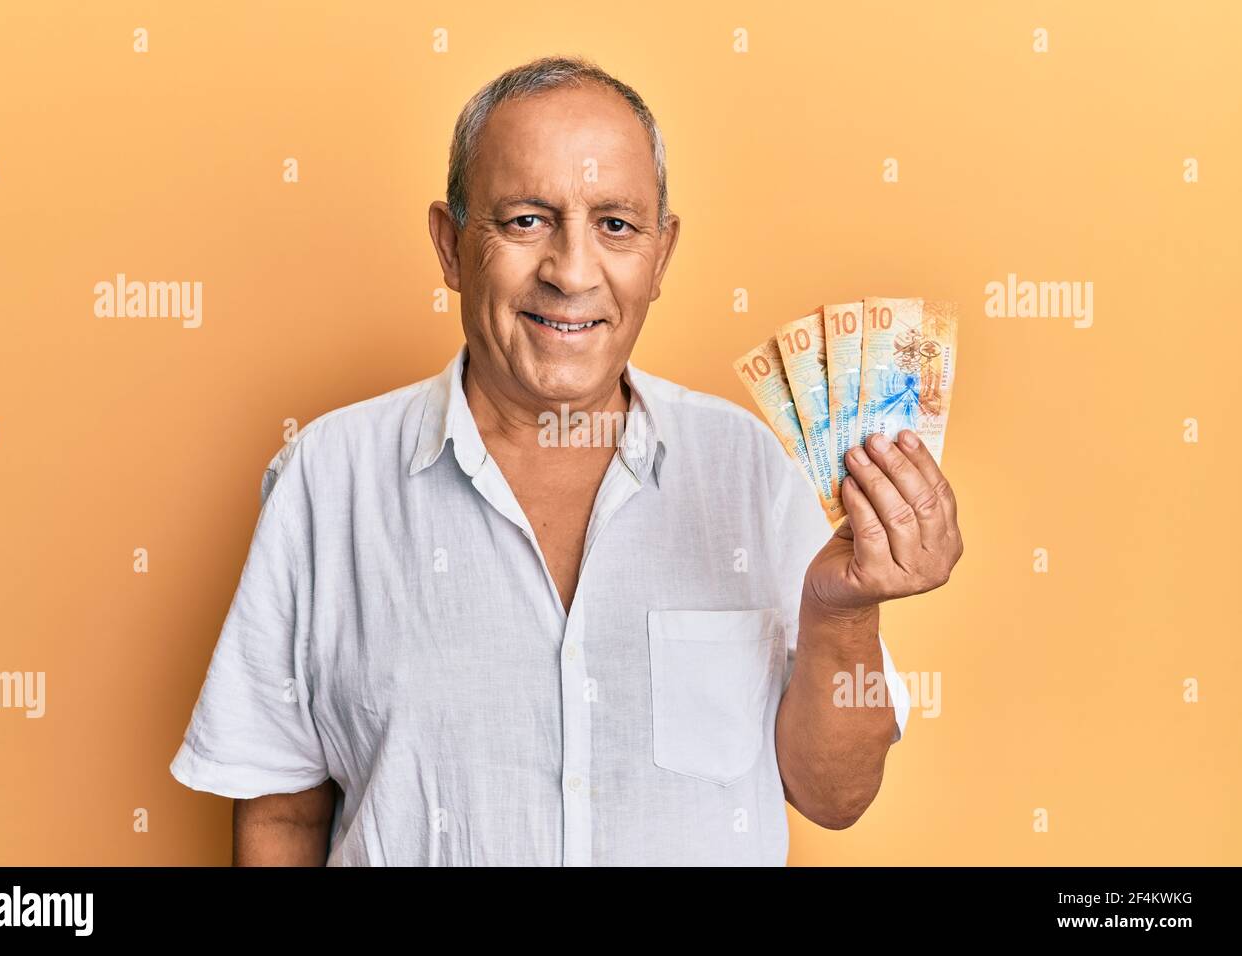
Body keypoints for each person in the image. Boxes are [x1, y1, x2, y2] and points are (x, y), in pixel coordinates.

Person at [169, 55, 963, 866]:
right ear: (450, 245)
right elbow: (281, 818)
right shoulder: (326, 479)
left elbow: (834, 797)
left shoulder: (750, 470)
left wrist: (844, 611)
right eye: (525, 221)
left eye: (616, 225)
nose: (572, 272)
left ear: (661, 254)